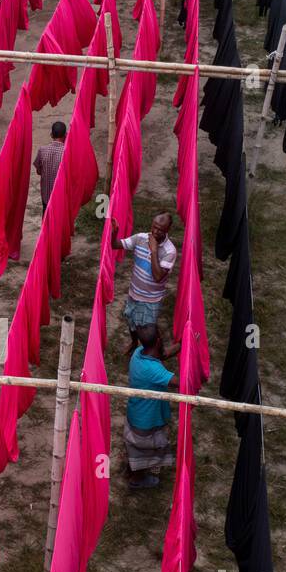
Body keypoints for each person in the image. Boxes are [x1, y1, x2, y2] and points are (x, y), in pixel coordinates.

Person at [111, 210, 177, 352]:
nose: (155, 232)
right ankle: (134, 343)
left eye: (161, 230)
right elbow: (116, 245)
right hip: (134, 292)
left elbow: (158, 276)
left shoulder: (170, 251)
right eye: (154, 227)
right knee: (131, 321)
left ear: (168, 230)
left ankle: (158, 353)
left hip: (150, 299)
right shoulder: (140, 238)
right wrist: (114, 232)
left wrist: (153, 250)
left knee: (147, 329)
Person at [124, 324, 177, 489]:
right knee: (145, 451)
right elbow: (181, 382)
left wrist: (184, 344)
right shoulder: (153, 370)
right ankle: (137, 480)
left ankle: (132, 468)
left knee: (136, 448)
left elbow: (163, 355)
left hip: (137, 413)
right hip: (146, 420)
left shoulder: (139, 353)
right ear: (159, 340)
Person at [33, 121, 66, 213]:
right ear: (65, 135)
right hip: (60, 195)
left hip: (46, 195)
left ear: (51, 135)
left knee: (46, 215)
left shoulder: (42, 150)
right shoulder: (67, 152)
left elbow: (38, 171)